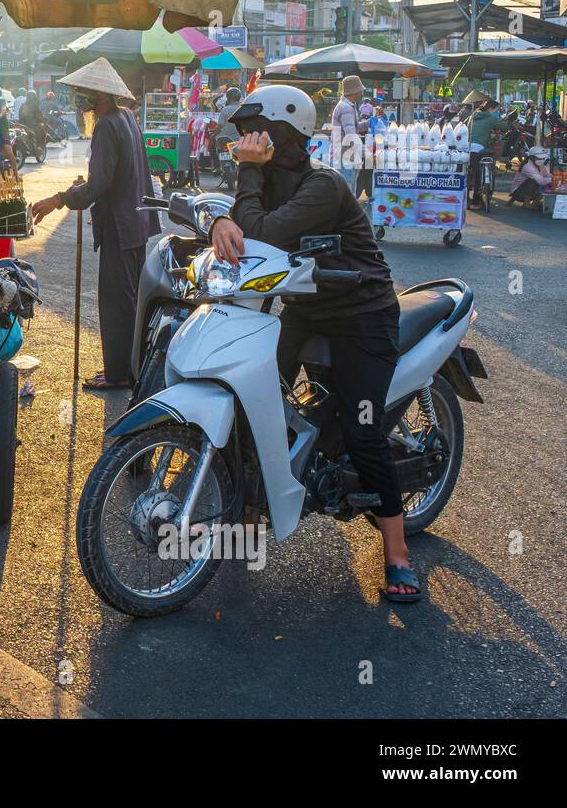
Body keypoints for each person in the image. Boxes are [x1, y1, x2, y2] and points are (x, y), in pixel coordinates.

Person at [208, 85, 421, 602]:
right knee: (255, 401)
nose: (244, 143)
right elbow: (233, 215)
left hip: (361, 316)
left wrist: (247, 176)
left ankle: (396, 553)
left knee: (362, 427)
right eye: (241, 137)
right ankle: (254, 513)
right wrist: (217, 218)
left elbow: (258, 231)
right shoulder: (272, 180)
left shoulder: (322, 186)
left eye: (254, 134)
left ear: (281, 134)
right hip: (305, 310)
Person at [30, 57, 162, 390]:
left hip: (121, 225)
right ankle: (131, 369)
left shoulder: (107, 124)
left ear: (99, 95)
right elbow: (108, 177)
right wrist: (81, 187)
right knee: (129, 301)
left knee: (118, 304)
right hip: (136, 222)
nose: (77, 98)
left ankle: (119, 374)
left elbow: (99, 185)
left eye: (80, 92)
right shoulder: (126, 117)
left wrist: (60, 198)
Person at [465, 93, 508, 207]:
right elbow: (505, 127)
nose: (495, 112)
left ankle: (466, 199)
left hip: (467, 147)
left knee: (469, 172)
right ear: (491, 108)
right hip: (479, 148)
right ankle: (476, 201)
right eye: (495, 110)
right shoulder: (490, 117)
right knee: (479, 173)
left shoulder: (472, 116)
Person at [331, 75, 369, 195]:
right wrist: (364, 153)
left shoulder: (347, 106)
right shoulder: (346, 108)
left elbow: (353, 127)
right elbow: (351, 136)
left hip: (343, 156)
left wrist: (367, 124)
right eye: (359, 91)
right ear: (355, 92)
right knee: (347, 194)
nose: (360, 94)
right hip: (345, 157)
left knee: (345, 193)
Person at [19, 91, 46, 165]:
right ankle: (38, 148)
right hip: (32, 127)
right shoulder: (34, 105)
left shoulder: (22, 105)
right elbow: (39, 116)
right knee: (43, 133)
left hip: (22, 126)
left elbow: (20, 117)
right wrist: (43, 120)